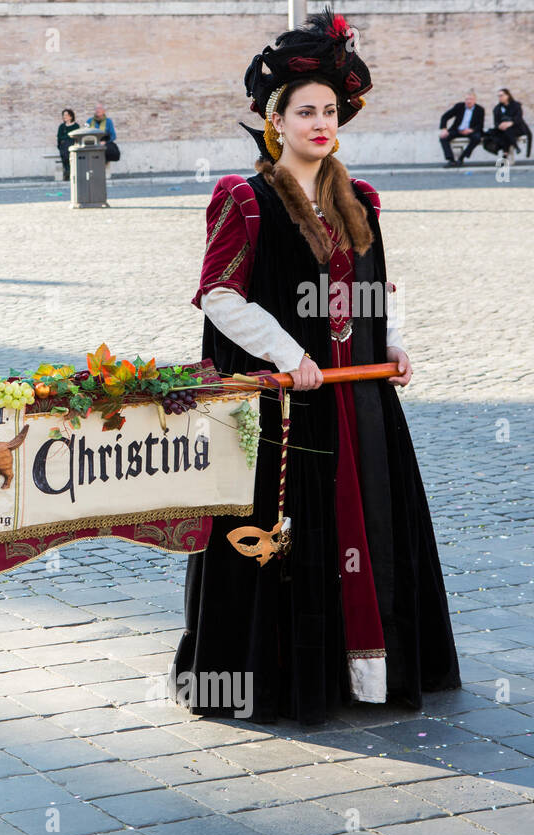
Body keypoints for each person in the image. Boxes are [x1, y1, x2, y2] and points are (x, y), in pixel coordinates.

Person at [174, 8, 461, 725]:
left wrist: (389, 343)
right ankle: (282, 679)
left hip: (359, 405)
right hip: (285, 411)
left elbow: (374, 285)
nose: (321, 122)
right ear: (277, 120)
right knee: (293, 542)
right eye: (306, 111)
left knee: (369, 536)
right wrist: (292, 356)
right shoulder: (244, 199)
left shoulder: (357, 200)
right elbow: (219, 296)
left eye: (331, 111)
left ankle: (362, 674)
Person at [438, 91, 484, 166]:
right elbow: (445, 116)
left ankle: (461, 158)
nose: (468, 101)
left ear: (475, 100)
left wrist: (471, 130)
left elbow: (480, 125)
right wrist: (444, 129)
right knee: (443, 137)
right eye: (467, 99)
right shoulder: (459, 106)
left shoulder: (480, 109)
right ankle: (451, 160)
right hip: (457, 130)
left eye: (471, 99)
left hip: (470, 131)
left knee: (477, 138)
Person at [492, 87, 533, 158]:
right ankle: (511, 150)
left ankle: (508, 151)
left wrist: (510, 123)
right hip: (504, 130)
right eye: (498, 96)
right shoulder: (497, 108)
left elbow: (518, 118)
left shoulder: (516, 105)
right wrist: (500, 126)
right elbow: (496, 122)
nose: (500, 97)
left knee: (507, 131)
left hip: (518, 128)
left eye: (501, 95)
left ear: (507, 95)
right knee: (504, 132)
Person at [56, 108, 80, 181]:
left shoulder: (76, 126)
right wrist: (68, 137)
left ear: (71, 116)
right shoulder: (61, 126)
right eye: (63, 115)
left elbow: (77, 136)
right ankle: (68, 171)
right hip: (63, 146)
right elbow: (59, 137)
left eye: (66, 115)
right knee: (65, 146)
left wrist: (67, 137)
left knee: (69, 145)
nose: (64, 117)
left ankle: (68, 171)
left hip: (73, 145)